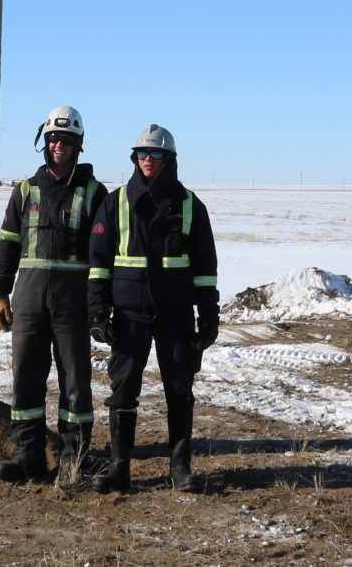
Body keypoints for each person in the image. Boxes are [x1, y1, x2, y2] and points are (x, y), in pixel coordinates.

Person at [86, 123, 220, 493]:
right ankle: (119, 467)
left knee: (179, 389)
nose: (147, 160)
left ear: (169, 159)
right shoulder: (114, 204)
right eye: (141, 154)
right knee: (123, 391)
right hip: (129, 318)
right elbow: (98, 264)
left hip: (175, 316)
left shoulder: (191, 206)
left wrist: (209, 316)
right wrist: (98, 313)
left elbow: (205, 268)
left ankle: (180, 467)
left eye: (155, 154)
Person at [0, 104, 107, 486]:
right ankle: (30, 455)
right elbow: (7, 245)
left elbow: (103, 254)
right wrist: (0, 293)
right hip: (28, 302)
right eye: (55, 138)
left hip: (72, 304)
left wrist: (99, 303)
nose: (60, 146)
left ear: (78, 145)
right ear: (45, 141)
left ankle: (74, 459)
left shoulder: (94, 193)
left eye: (68, 140)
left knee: (75, 381)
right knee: (26, 378)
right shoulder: (25, 191)